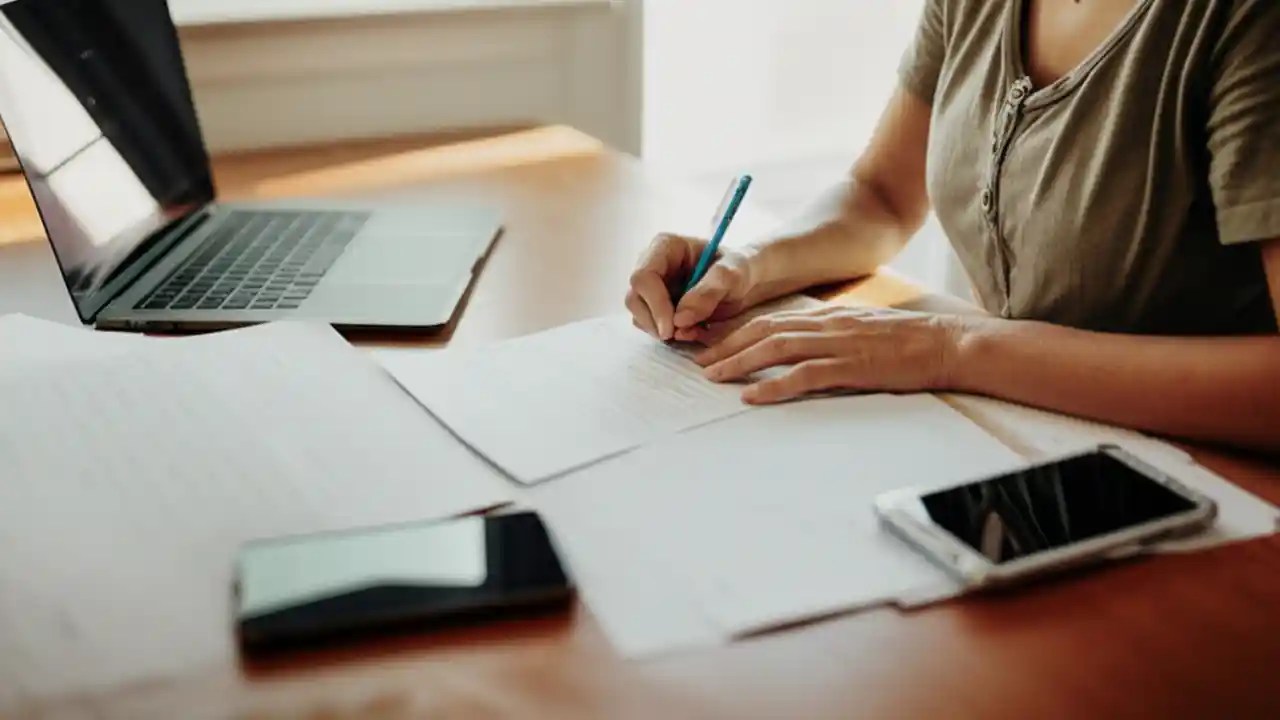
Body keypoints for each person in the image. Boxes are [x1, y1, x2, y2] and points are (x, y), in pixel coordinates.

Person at [625, 0, 1280, 453]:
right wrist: (748, 264)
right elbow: (881, 195)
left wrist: (951, 348)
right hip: (1027, 439)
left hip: (1216, 486)